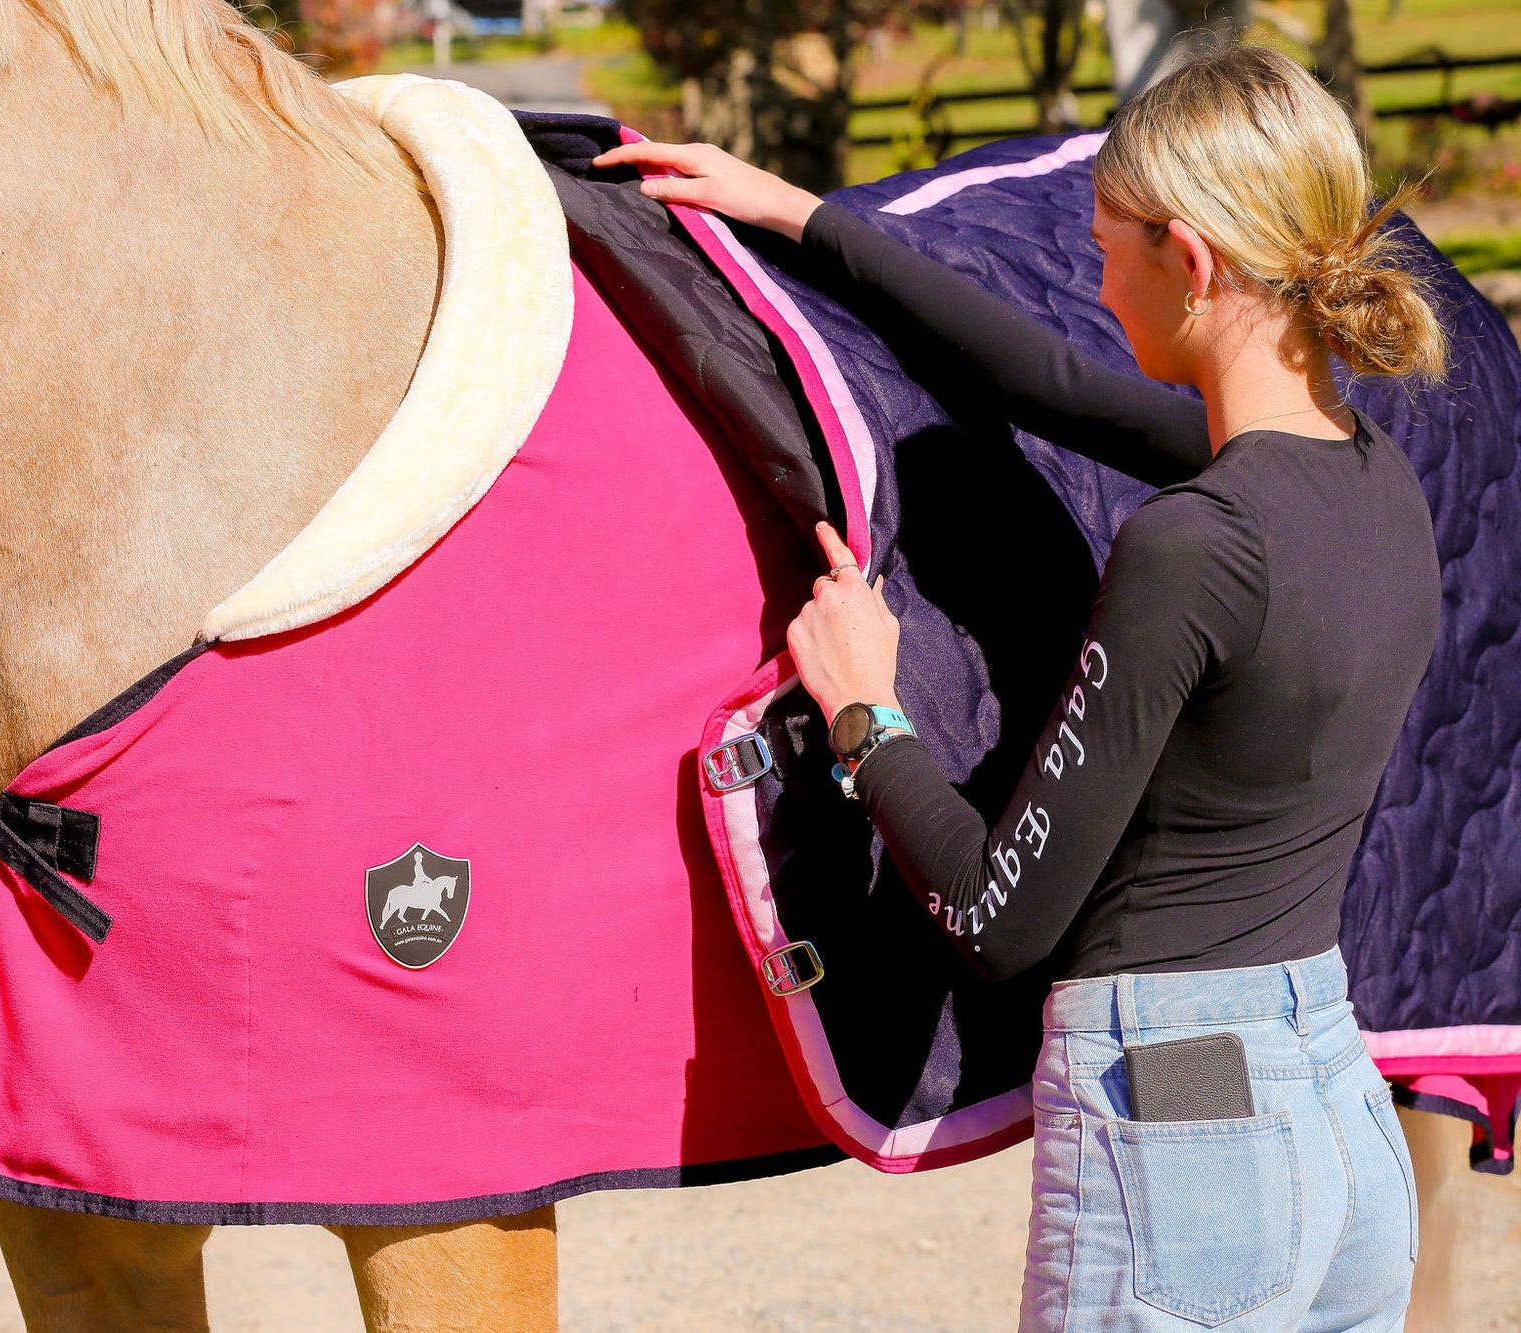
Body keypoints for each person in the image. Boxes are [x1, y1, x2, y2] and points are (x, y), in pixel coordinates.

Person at [598, 45, 1442, 1331]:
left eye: (1109, 250)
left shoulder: (1198, 544)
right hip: (1328, 1095)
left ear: (1192, 257)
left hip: (1181, 1123)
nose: (1095, 286)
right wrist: (797, 215)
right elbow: (1040, 383)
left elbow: (999, 917)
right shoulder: (1372, 480)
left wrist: (862, 711)